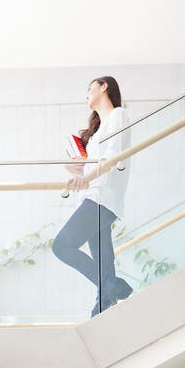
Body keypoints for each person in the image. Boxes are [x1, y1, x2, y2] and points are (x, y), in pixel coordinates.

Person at [52, 76, 133, 317]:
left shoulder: (118, 115)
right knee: (104, 266)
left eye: (90, 88)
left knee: (61, 246)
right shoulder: (97, 133)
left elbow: (112, 158)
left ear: (104, 87)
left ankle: (112, 285)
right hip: (95, 196)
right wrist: (76, 169)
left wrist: (86, 177)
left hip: (101, 197)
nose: (86, 94)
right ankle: (101, 312)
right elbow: (92, 167)